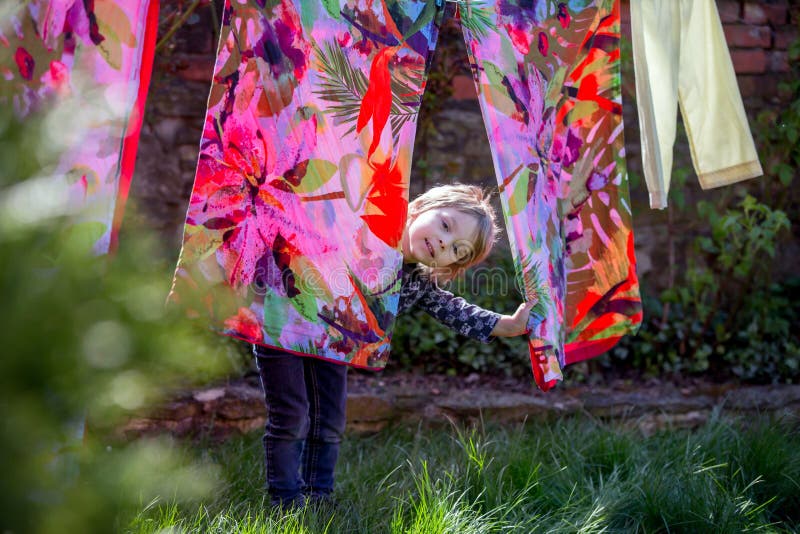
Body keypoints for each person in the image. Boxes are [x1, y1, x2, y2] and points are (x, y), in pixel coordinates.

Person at [253, 184, 536, 508]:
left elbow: (456, 312)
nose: (444, 242)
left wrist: (509, 325)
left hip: (331, 345)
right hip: (282, 326)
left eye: (456, 250)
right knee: (292, 414)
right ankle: (285, 501)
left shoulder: (417, 280)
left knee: (329, 421)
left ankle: (319, 497)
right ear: (421, 207)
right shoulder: (367, 225)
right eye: (445, 225)